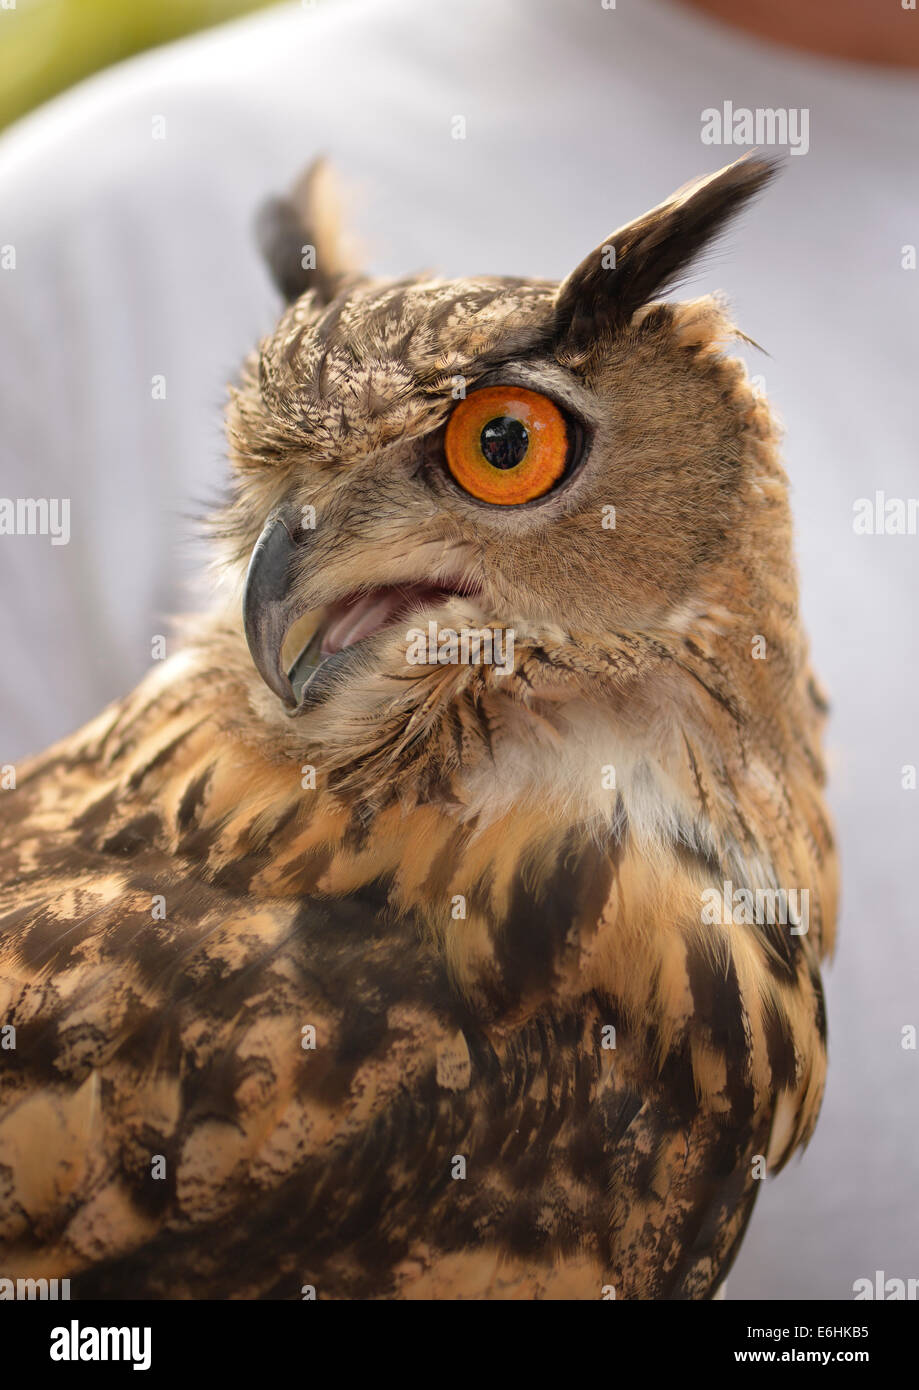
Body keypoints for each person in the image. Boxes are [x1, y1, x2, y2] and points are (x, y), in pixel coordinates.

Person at [0, 0, 916, 1299]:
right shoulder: (348, 1031)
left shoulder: (600, 1000)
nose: (316, 542)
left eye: (507, 449)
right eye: (285, 490)